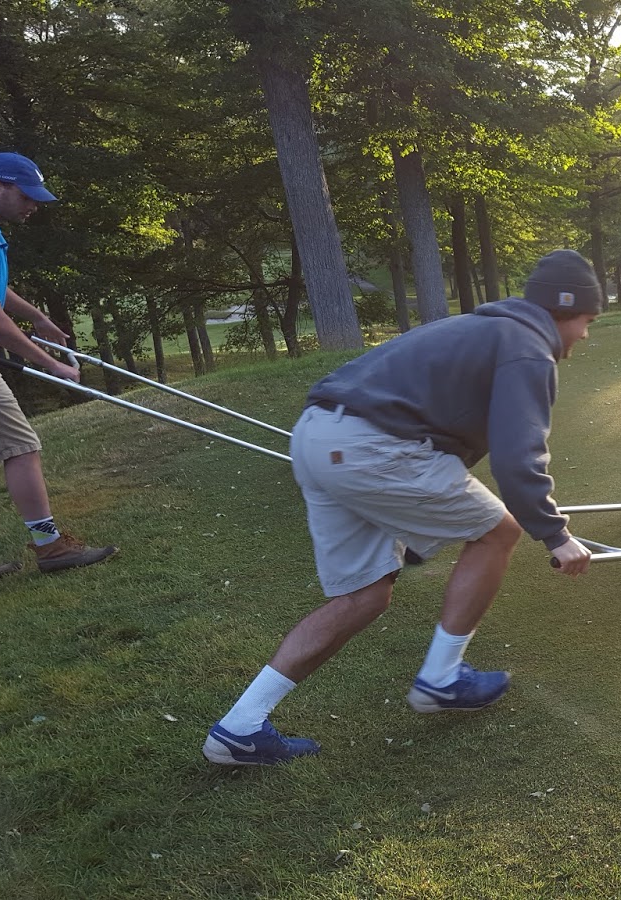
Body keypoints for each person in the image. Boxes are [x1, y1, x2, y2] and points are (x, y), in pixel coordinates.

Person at [203, 249, 599, 766]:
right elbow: (517, 457)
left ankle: (239, 728)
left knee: (364, 596)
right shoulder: (528, 348)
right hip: (372, 447)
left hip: (318, 436)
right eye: (588, 321)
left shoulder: (480, 328)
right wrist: (555, 535)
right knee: (499, 532)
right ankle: (442, 678)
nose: (585, 336)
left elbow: (446, 437)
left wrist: (414, 537)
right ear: (565, 309)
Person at [0, 151, 118, 576]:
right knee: (21, 446)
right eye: (26, 197)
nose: (33, 206)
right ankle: (51, 548)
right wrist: (51, 365)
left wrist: (38, 317)